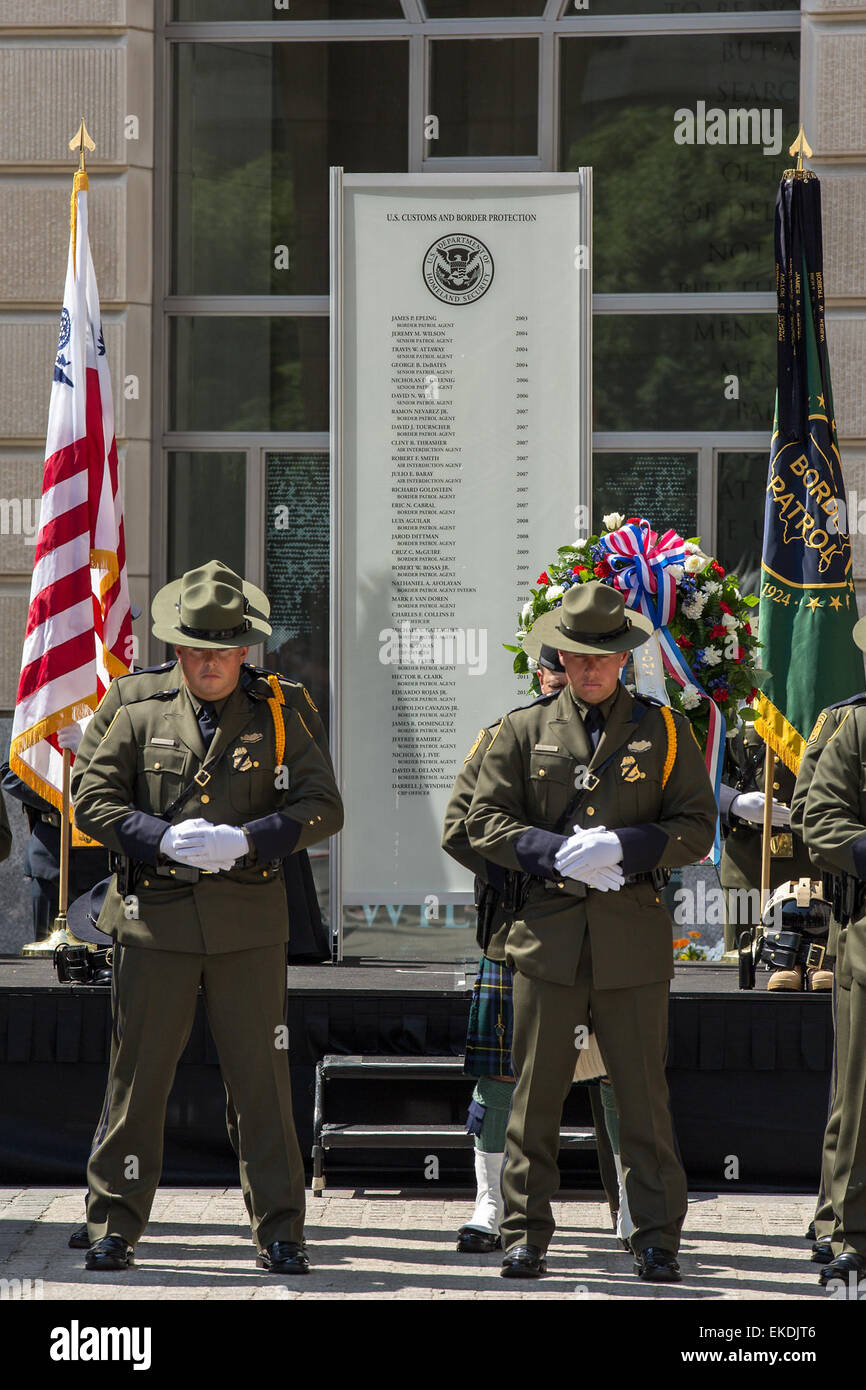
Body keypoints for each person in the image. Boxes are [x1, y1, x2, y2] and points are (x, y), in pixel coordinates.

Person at [70, 559, 344, 1275]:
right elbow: (89, 799)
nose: (212, 661)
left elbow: (323, 806)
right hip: (153, 919)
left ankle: (281, 1228)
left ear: (246, 648)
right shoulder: (134, 704)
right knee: (138, 1082)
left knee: (262, 1083)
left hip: (248, 923)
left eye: (225, 649)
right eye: (198, 649)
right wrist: (155, 835)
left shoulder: (281, 709)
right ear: (178, 647)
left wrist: (252, 838)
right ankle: (115, 1226)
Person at [465, 582, 717, 1280]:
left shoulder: (665, 731)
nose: (589, 669)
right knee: (535, 1099)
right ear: (563, 657)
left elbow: (697, 825)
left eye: (601, 656)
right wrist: (551, 853)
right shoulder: (523, 729)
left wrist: (627, 849)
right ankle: (524, 1233)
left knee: (641, 1098)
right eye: (576, 656)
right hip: (547, 937)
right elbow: (481, 821)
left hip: (630, 937)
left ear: (623, 657)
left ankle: (657, 1234)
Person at [442, 645, 624, 1253]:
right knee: (502, 1076)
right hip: (519, 931)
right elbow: (461, 829)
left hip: (605, 933)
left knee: (618, 1074)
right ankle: (491, 1206)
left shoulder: (635, 736)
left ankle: (630, 1211)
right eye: (555, 668)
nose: (563, 679)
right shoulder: (505, 736)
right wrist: (533, 876)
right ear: (544, 674)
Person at [799, 621, 866, 1286]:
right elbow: (812, 814)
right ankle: (840, 1223)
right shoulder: (846, 724)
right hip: (858, 922)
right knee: (857, 1091)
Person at [719, 724, 828, 988]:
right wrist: (732, 801)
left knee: (822, 975)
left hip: (815, 858)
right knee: (746, 975)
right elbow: (697, 771)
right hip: (749, 861)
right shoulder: (733, 699)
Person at [2, 731, 110, 942]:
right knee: (47, 957)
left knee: (101, 956)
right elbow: (10, 772)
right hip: (51, 854)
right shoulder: (42, 706)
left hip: (102, 856)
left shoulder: (108, 707)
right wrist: (59, 796)